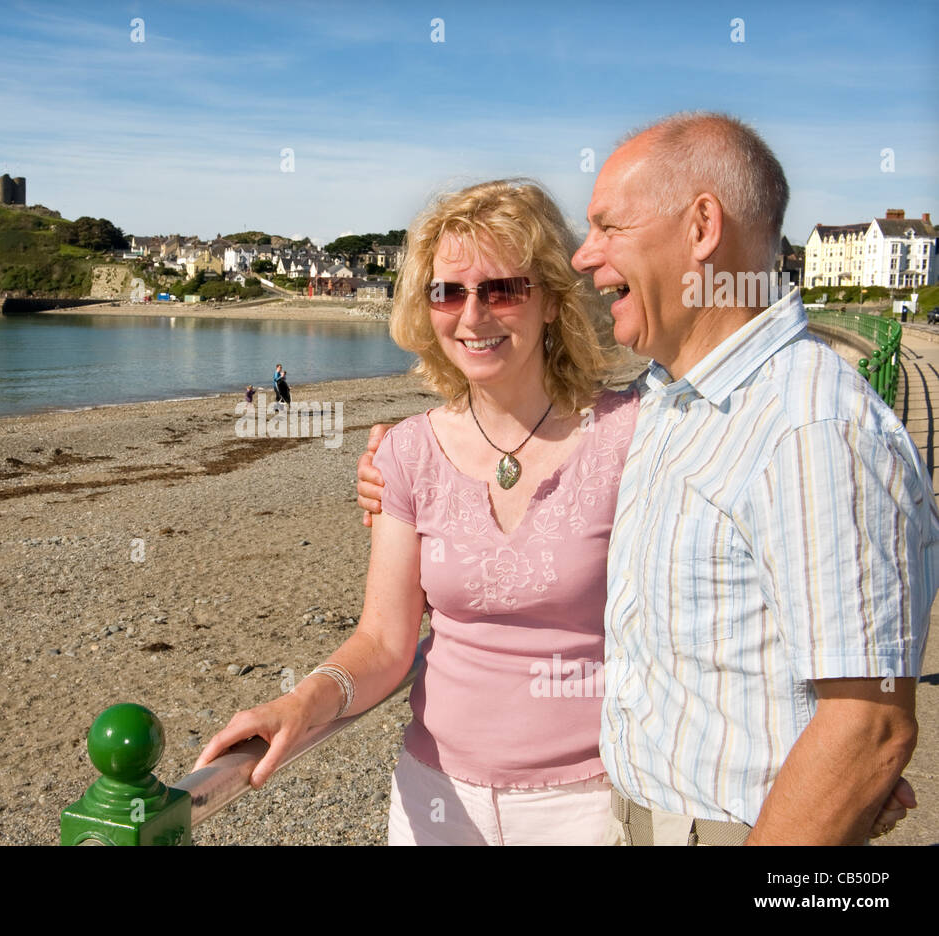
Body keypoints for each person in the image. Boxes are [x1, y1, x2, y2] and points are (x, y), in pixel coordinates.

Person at [357, 112, 934, 845]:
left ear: (701, 227)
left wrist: (844, 787)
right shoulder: (669, 404)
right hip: (638, 821)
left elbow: (871, 723)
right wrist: (389, 459)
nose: (586, 255)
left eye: (608, 227)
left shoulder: (813, 424)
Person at [196, 179, 638, 844]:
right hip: (436, 799)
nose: (473, 314)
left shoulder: (630, 435)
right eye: (448, 292)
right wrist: (299, 703)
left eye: (503, 288)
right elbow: (385, 641)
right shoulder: (407, 451)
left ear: (550, 299)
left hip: (591, 804)